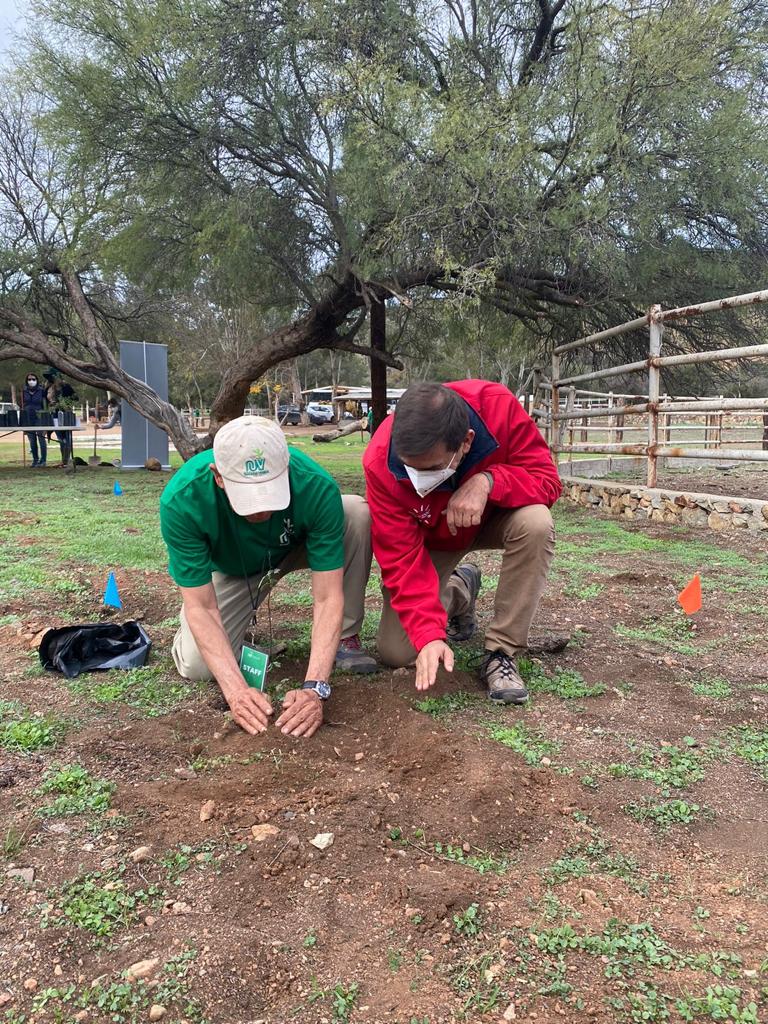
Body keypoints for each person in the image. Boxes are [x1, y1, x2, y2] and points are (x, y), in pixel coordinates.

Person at [160, 416, 377, 739]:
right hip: (234, 569)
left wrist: (315, 688)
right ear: (218, 476)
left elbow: (327, 596)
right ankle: (207, 636)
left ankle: (345, 638)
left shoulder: (314, 485)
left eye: (269, 492)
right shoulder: (183, 499)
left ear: (286, 467)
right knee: (198, 666)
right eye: (248, 497)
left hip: (295, 546)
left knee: (356, 514)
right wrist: (236, 691)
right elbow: (202, 607)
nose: (260, 511)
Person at [364, 380, 561, 705]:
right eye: (409, 467)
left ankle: (502, 651)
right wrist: (429, 637)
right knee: (397, 651)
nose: (418, 479)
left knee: (536, 522)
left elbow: (548, 481)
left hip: (489, 518)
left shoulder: (498, 407)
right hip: (431, 536)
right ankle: (460, 590)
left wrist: (488, 481)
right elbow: (400, 561)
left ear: (466, 442)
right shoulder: (379, 459)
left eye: (431, 468)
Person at [43, 368, 78, 466]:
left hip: (66, 415)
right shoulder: (48, 388)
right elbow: (45, 401)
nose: (52, 378)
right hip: (54, 416)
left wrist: (66, 403)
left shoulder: (66, 387)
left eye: (53, 376)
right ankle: (64, 460)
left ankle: (67, 460)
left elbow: (76, 398)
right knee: (61, 439)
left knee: (68, 438)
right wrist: (50, 405)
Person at [22, 372, 47, 467]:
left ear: (37, 380)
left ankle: (43, 460)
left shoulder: (41, 391)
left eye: (33, 379)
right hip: (28, 417)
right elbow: (22, 404)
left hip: (39, 417)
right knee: (32, 440)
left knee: (41, 438)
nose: (31, 381)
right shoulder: (24, 391)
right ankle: (35, 460)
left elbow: (45, 405)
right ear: (26, 381)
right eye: (29, 379)